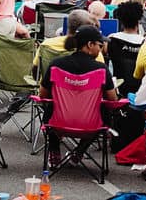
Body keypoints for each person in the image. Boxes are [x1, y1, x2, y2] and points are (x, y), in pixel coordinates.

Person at [40, 25, 117, 167]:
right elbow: (112, 100)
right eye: (99, 45)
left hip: (57, 123)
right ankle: (79, 152)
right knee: (104, 111)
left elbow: (42, 94)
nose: (101, 49)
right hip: (91, 125)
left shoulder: (56, 65)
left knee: (51, 104)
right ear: (89, 45)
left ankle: (54, 151)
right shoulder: (101, 69)